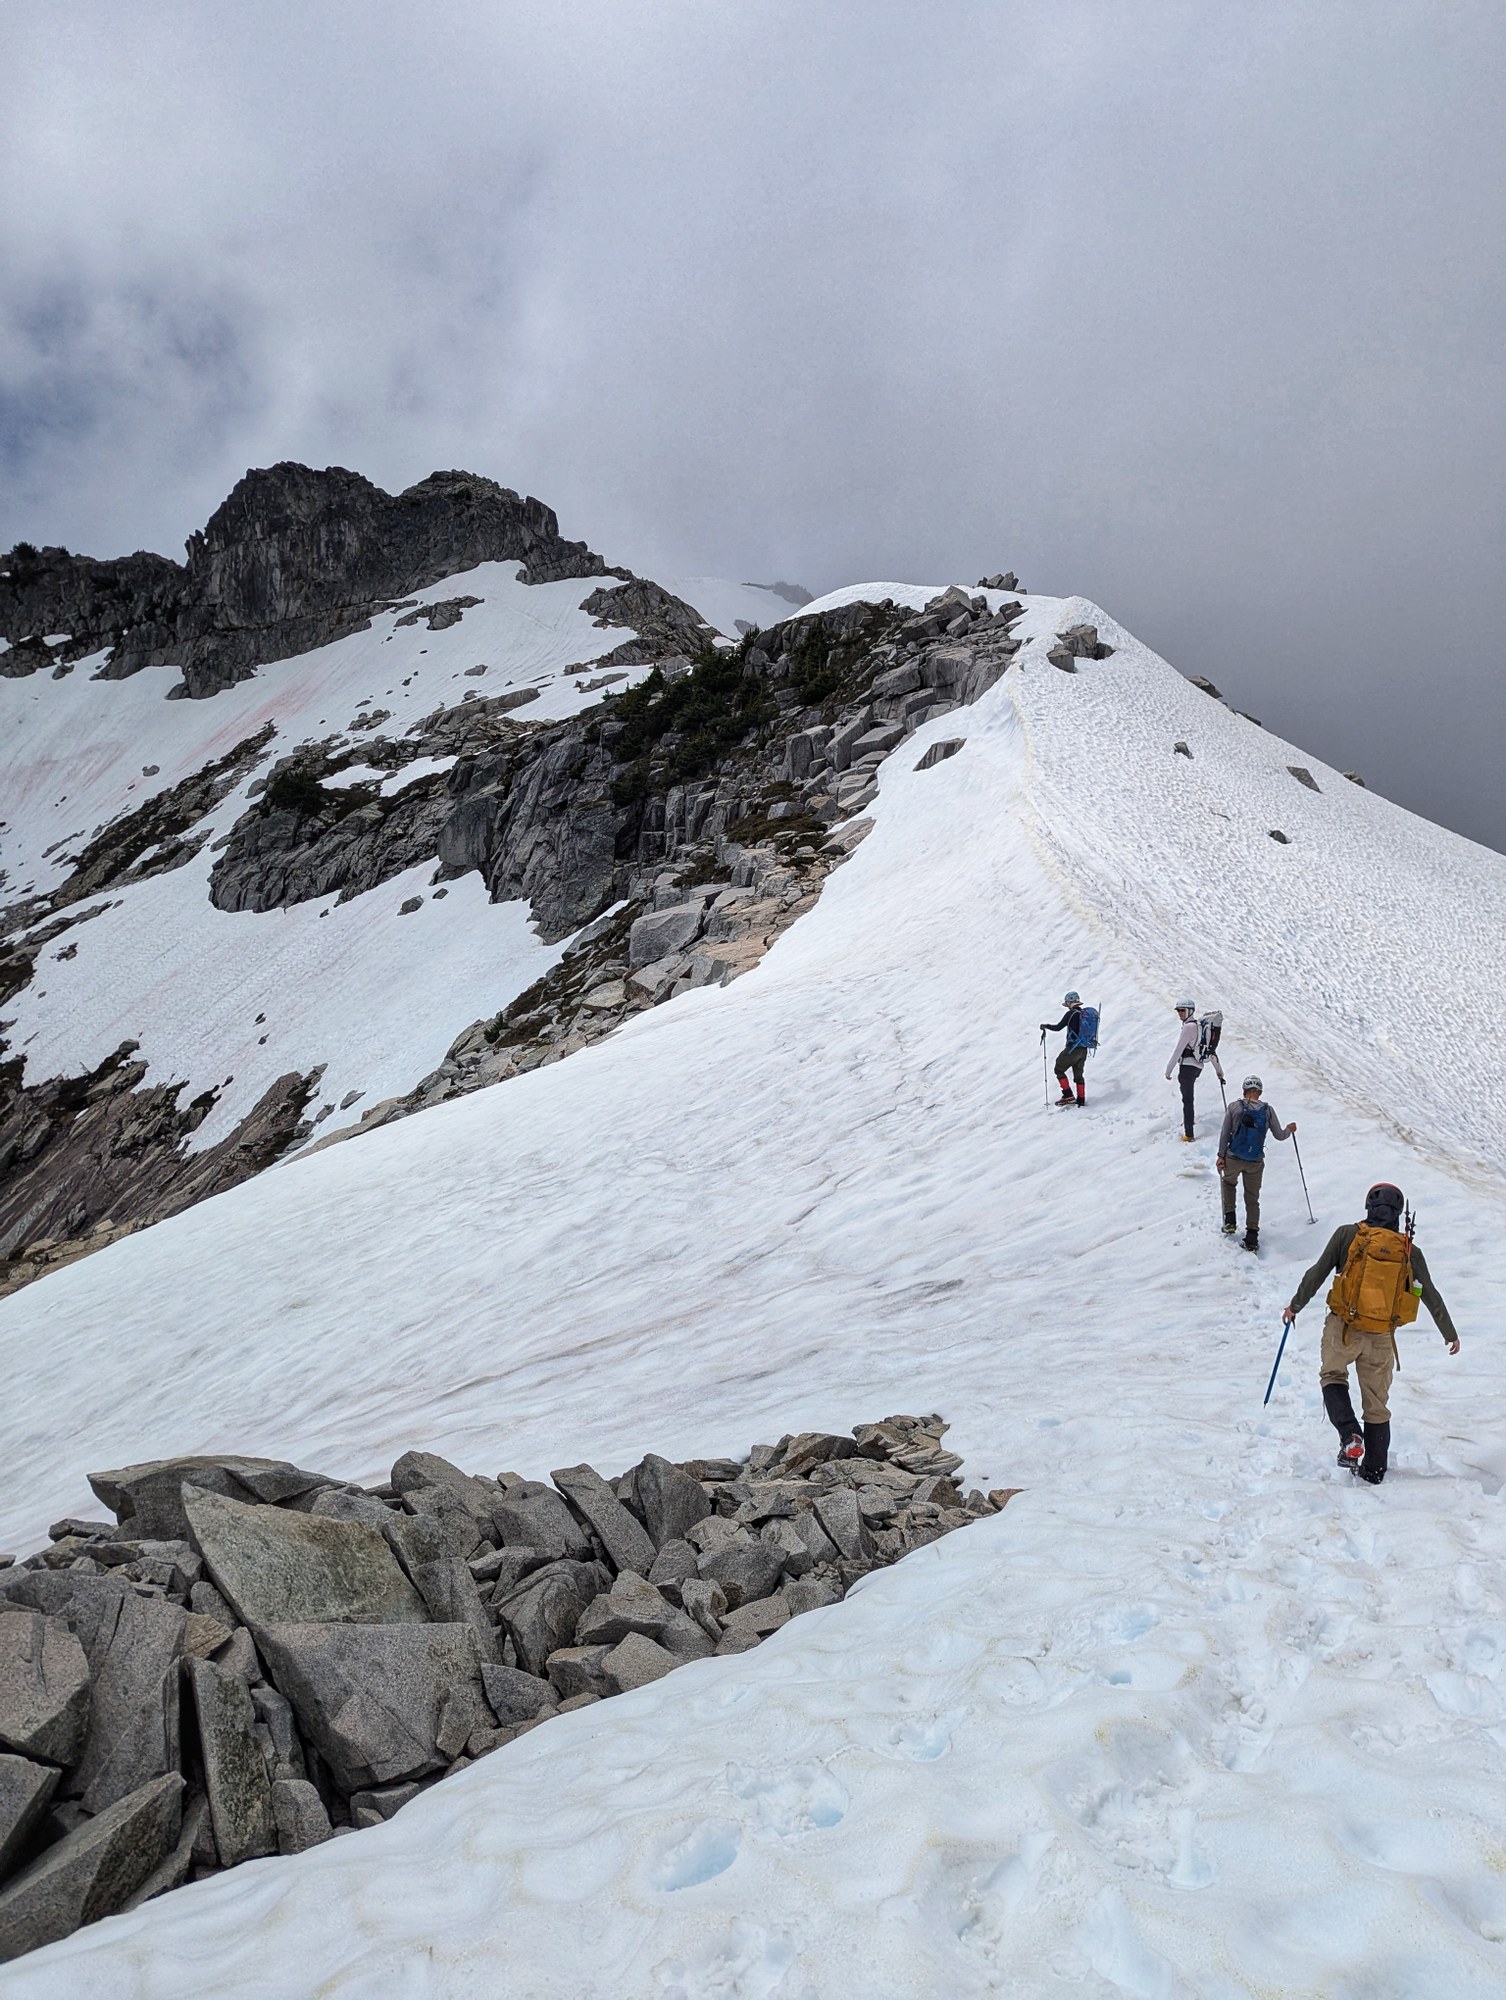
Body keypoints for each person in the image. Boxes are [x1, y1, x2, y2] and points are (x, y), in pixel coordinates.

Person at [1282, 1181, 1459, 1484]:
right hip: (1381, 1337)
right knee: (1376, 1404)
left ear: (1368, 1207)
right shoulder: (1408, 1250)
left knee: (1333, 1376)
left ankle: (1350, 1435)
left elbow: (1318, 1271)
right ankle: (1374, 1471)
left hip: (1344, 1328)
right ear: (1398, 1213)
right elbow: (1429, 1293)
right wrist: (1449, 1332)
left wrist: (1295, 1305)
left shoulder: (1349, 1235)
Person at [1215, 1076, 1294, 1250]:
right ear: (1260, 1092)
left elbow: (1225, 1133)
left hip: (1233, 1157)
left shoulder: (1234, 1107)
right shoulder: (1268, 1110)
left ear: (1244, 1091)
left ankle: (1230, 1221)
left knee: (1228, 1184)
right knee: (1252, 1197)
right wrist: (1289, 1129)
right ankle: (1252, 1237)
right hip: (1255, 1162)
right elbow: (1280, 1135)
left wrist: (1221, 1156)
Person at [1165, 999, 1225, 1143]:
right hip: (1197, 1067)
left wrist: (1168, 1070)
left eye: (1182, 1010)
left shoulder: (1188, 1027)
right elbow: (1211, 1051)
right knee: (1188, 1099)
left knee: (1187, 1100)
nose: (1180, 1014)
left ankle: (1189, 1134)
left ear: (1190, 1011)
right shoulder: (1199, 1027)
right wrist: (1219, 1072)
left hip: (1186, 1067)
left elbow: (1178, 1050)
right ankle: (1189, 1122)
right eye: (1178, 1011)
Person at [1041, 991, 1089, 1106]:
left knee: (1059, 1069)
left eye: (1067, 1003)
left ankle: (1068, 1096)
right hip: (1084, 1049)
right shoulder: (1084, 1014)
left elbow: (1058, 1027)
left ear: (1070, 1002)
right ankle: (1081, 1100)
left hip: (1073, 1048)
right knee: (1078, 1075)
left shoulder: (1071, 1014)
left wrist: (1046, 1026)